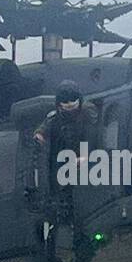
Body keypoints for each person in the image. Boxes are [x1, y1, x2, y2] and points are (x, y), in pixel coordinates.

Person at [33, 79, 99, 234]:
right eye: (65, 103)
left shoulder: (88, 112)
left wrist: (85, 155)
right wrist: (39, 135)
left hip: (87, 161)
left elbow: (92, 134)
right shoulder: (54, 118)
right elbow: (43, 129)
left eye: (73, 102)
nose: (70, 106)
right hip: (65, 164)